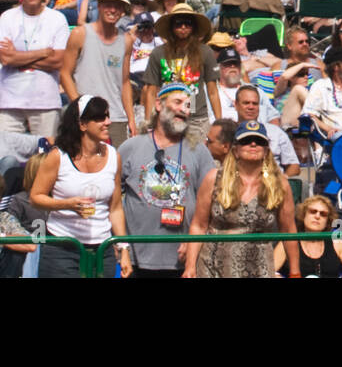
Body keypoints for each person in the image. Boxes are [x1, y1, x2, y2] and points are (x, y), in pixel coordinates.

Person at [118, 83, 215, 277]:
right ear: (159, 105)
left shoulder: (200, 151)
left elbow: (209, 205)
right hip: (137, 259)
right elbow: (112, 202)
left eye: (188, 105)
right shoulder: (131, 147)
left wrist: (193, 244)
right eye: (178, 102)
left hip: (181, 261)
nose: (183, 109)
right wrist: (122, 247)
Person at [183, 120, 299, 278]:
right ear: (235, 150)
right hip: (214, 267)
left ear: (266, 150)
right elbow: (198, 225)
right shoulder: (214, 178)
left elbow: (288, 230)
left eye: (259, 141)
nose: (253, 144)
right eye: (245, 141)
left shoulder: (280, 184)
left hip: (260, 267)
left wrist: (295, 271)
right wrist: (190, 267)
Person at [31, 95, 130, 277]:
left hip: (102, 249)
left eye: (107, 116)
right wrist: (67, 204)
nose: (107, 122)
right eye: (100, 118)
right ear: (82, 124)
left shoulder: (113, 156)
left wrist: (123, 249)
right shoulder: (58, 156)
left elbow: (115, 208)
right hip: (62, 248)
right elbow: (36, 197)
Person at [0, 0, 69, 137]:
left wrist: (17, 56)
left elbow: (57, 61)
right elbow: (5, 58)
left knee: (45, 155)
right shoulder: (7, 17)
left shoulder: (57, 19)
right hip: (9, 99)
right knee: (7, 153)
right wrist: (42, 53)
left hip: (45, 100)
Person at [60, 0, 133, 144]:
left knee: (115, 164)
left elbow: (125, 82)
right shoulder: (80, 34)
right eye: (108, 5)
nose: (112, 10)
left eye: (118, 6)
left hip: (116, 116)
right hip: (85, 118)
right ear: (99, 6)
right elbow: (65, 74)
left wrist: (131, 119)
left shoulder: (126, 40)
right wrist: (80, 107)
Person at [142, 3, 221, 143]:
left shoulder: (205, 52)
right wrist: (149, 122)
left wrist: (219, 122)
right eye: (178, 23)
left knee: (197, 160)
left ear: (194, 27)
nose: (183, 27)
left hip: (196, 118)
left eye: (188, 23)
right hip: (167, 117)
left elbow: (213, 91)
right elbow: (151, 91)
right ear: (171, 27)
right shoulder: (158, 53)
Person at [272, 194, 342, 277]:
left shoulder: (337, 244)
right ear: (304, 215)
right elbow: (268, 271)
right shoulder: (288, 242)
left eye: (323, 214)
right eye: (313, 211)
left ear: (327, 221)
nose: (317, 216)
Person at [232, 83, 300, 175]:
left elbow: (294, 166)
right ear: (236, 105)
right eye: (246, 103)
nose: (251, 107)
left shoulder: (276, 132)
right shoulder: (228, 131)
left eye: (255, 103)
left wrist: (281, 181)